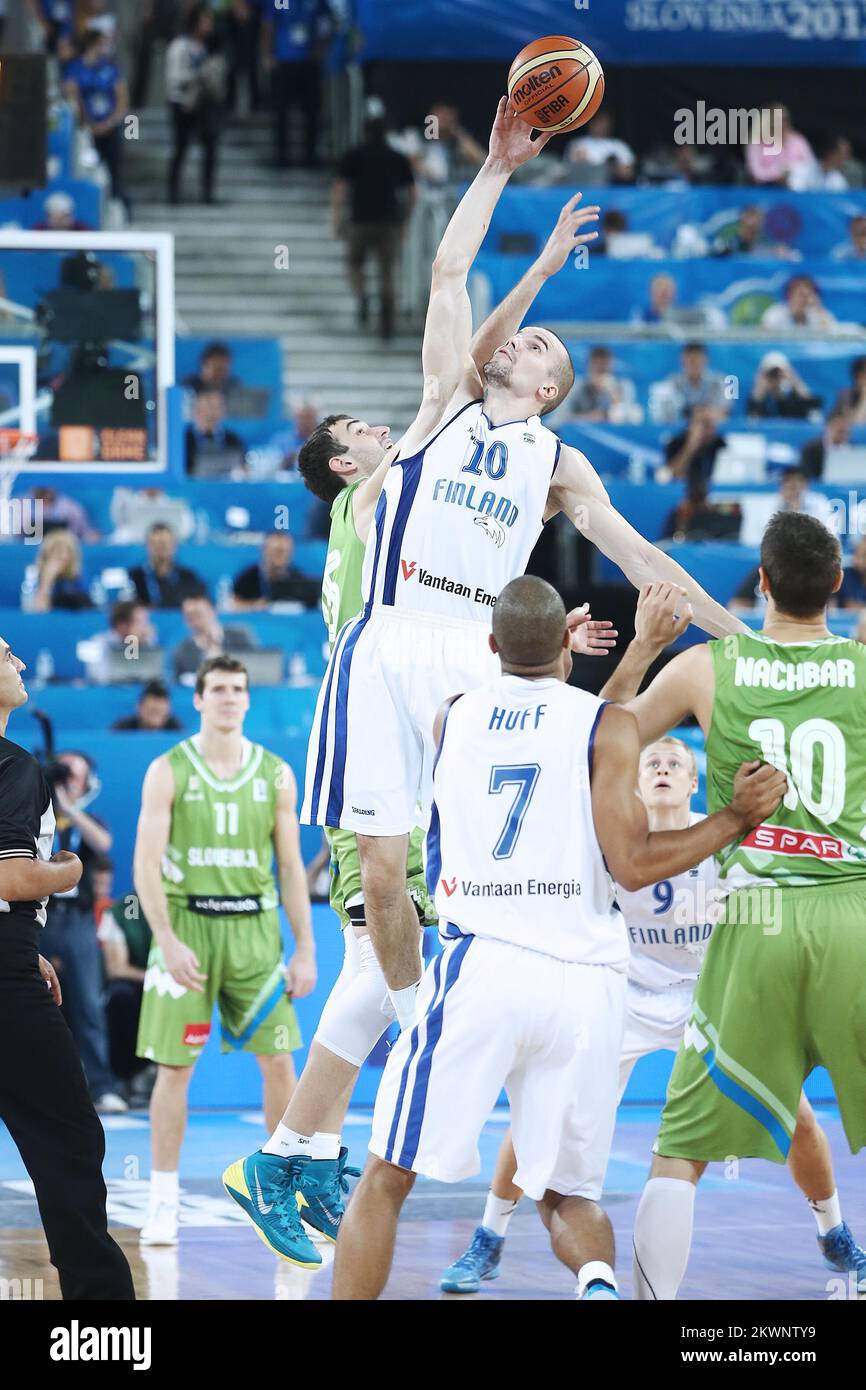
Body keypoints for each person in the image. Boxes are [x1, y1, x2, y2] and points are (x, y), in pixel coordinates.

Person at [223, 100, 744, 1269]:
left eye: (543, 340)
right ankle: (416, 1048)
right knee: (376, 869)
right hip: (392, 638)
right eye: (522, 332)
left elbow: (641, 560)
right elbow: (453, 265)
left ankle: (397, 1093)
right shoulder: (437, 411)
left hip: (480, 664)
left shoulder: (557, 461)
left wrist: (740, 635)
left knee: (461, 885)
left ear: (553, 384)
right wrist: (497, 168)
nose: (525, 338)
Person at [329, 576, 783, 1300]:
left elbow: (554, 709)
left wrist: (586, 652)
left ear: (490, 647)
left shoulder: (452, 717)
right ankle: (598, 1283)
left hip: (484, 969)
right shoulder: (603, 728)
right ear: (565, 654)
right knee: (569, 1195)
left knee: (385, 1177)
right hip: (587, 982)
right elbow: (628, 852)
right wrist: (732, 818)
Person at [443, 626, 864, 1294]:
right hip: (627, 993)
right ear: (634, 778)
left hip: (707, 993)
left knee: (798, 1117)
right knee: (544, 1117)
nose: (663, 768)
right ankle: (488, 1236)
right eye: (651, 764)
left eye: (675, 764)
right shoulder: (613, 829)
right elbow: (587, 744)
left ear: (695, 780)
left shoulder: (736, 835)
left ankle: (833, 1229)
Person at [594, 513, 866, 1300]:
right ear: (838, 586)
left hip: (754, 913)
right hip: (852, 905)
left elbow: (605, 740)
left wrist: (643, 649)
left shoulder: (709, 668)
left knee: (680, 1151)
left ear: (763, 582)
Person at [133, 655, 316, 1246]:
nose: (230, 698)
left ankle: (277, 1196)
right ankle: (163, 1199)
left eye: (239, 689)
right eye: (218, 689)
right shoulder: (168, 769)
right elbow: (144, 864)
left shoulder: (275, 774)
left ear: (247, 698)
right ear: (198, 698)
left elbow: (290, 867)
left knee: (281, 1064)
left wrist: (305, 948)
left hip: (255, 936)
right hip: (188, 929)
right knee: (174, 1070)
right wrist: (164, 939)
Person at [0, 633, 134, 1299]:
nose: (21, 662)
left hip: (17, 959)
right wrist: (70, 870)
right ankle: (104, 1321)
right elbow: (15, 878)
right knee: (70, 1146)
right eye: (3, 654)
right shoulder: (15, 765)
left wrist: (29, 946)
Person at [41, 751, 127, 1112]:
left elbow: (103, 844)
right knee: (32, 1001)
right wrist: (48, 797)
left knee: (88, 1003)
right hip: (41, 914)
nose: (69, 781)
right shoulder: (37, 814)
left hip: (77, 920)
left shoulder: (87, 820)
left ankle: (100, 1085)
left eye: (75, 776)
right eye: (65, 774)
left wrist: (69, 806)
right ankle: (36, 1086)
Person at [333, 117, 416, 340]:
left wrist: (337, 219)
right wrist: (404, 220)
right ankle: (387, 324)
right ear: (387, 133)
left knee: (353, 263)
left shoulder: (354, 155)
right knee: (387, 274)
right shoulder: (397, 158)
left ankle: (361, 295)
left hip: (359, 221)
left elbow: (340, 188)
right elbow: (411, 193)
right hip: (388, 223)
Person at [97, 891, 154, 1105]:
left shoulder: (184, 904)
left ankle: (158, 1071)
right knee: (120, 996)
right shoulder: (123, 911)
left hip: (176, 983)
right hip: (138, 986)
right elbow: (116, 968)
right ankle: (127, 1074)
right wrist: (155, 978)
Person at [262, 0, 333, 169]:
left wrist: (322, 49)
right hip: (285, 60)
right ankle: (281, 155)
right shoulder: (282, 1)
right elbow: (269, 23)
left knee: (312, 110)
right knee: (281, 111)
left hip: (309, 61)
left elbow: (328, 22)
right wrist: (267, 53)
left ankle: (310, 155)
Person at [63, 29, 129, 209]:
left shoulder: (111, 68)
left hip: (110, 128)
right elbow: (72, 98)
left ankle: (118, 207)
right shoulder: (75, 68)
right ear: (92, 44)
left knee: (115, 170)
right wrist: (89, 124)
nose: (106, 47)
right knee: (88, 171)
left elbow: (122, 100)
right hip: (86, 130)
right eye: (102, 43)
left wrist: (109, 123)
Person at [165, 4, 224, 205]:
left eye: (211, 21)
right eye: (205, 21)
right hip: (182, 103)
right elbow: (174, 77)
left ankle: (207, 192)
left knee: (210, 146)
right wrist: (198, 77)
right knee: (181, 148)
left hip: (204, 103)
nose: (209, 25)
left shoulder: (210, 46)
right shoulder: (179, 46)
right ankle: (172, 193)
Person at [739, 467, 835, 548]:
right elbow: (768, 533)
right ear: (781, 485)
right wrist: (791, 508)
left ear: (806, 484)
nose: (793, 486)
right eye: (788, 481)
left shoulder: (819, 502)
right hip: (776, 555)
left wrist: (797, 508)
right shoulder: (768, 504)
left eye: (799, 481)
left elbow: (829, 534)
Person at [173, 593, 257, 682]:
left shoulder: (240, 636)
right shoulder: (183, 650)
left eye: (198, 614)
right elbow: (178, 682)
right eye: (189, 616)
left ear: (212, 611)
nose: (194, 620)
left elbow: (254, 666)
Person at [230, 531, 319, 610]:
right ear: (264, 549)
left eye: (286, 551)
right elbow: (232, 604)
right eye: (277, 551)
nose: (281, 557)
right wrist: (254, 606)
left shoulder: (299, 579)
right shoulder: (248, 577)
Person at [128, 522, 207, 609]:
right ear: (147, 546)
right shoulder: (134, 577)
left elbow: (202, 607)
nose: (161, 548)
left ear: (175, 546)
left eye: (165, 544)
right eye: (156, 544)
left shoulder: (189, 578)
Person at [83, 600, 158, 686]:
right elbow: (96, 676)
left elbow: (153, 677)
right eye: (140, 623)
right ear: (122, 625)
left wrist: (144, 646)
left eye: (146, 622)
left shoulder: (145, 643)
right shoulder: (96, 642)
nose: (145, 628)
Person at [651, 344, 728, 426]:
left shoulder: (720, 381)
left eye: (697, 359)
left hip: (712, 428)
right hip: (681, 430)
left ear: (706, 359)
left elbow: (724, 412)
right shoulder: (672, 382)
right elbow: (667, 416)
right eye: (690, 360)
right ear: (682, 360)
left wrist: (699, 415)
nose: (694, 363)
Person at [565, 345, 641, 423]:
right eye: (596, 364)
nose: (600, 368)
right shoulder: (576, 386)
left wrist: (614, 394)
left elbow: (630, 419)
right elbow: (562, 419)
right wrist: (596, 416)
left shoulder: (624, 386)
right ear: (588, 366)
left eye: (604, 365)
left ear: (611, 365)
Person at [657, 405, 726, 488]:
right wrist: (691, 446)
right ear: (690, 425)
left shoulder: (721, 444)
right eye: (701, 423)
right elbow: (672, 474)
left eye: (709, 423)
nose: (706, 428)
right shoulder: (676, 443)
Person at [745, 104, 814, 186]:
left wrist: (793, 172)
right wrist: (779, 174)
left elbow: (812, 167)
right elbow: (756, 173)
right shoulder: (756, 143)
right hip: (764, 191)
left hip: (797, 192)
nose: (782, 124)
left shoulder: (798, 141)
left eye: (785, 120)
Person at [26, 529, 94, 612]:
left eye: (68, 552)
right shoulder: (36, 578)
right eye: (58, 552)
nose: (64, 557)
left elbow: (87, 610)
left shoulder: (79, 577)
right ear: (46, 555)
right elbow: (39, 612)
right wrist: (46, 581)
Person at [184, 387, 246, 477]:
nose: (213, 411)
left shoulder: (233, 440)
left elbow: (243, 468)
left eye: (218, 406)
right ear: (196, 409)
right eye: (209, 405)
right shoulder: (183, 441)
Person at [564, 111, 635, 184]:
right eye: (599, 122)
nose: (603, 126)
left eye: (605, 123)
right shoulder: (578, 144)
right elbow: (567, 171)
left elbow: (629, 174)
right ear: (591, 123)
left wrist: (615, 168)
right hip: (583, 187)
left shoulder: (619, 145)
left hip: (611, 190)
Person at [747, 351, 822, 420]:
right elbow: (752, 419)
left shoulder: (795, 399)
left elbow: (814, 410)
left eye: (779, 375)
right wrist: (759, 389)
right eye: (772, 375)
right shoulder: (762, 401)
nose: (776, 379)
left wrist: (795, 382)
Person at [711, 204, 795, 259]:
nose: (753, 222)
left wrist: (781, 252)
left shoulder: (764, 238)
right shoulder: (729, 232)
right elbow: (717, 249)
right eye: (750, 217)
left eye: (758, 219)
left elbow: (776, 250)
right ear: (742, 218)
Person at [761, 275, 840, 334]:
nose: (804, 299)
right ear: (789, 295)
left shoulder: (817, 314)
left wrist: (819, 308)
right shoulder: (775, 313)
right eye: (800, 294)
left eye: (808, 295)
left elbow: (833, 334)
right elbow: (764, 336)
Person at [800, 407, 853, 481]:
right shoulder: (811, 449)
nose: (843, 435)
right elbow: (808, 478)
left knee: (855, 491)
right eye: (840, 431)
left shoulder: (854, 449)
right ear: (829, 427)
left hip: (850, 490)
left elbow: (856, 481)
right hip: (822, 490)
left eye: (846, 431)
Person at [111, 680, 184, 732]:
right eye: (152, 711)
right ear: (139, 707)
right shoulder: (123, 730)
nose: (157, 706)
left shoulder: (176, 731)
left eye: (160, 712)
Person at [833, 356, 866, 424]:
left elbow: (858, 422)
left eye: (863, 376)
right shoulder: (844, 395)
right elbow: (832, 422)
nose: (860, 380)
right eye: (857, 376)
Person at [837, 536, 866, 609]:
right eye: (856, 554)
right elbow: (849, 605)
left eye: (863, 556)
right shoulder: (845, 574)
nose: (856, 560)